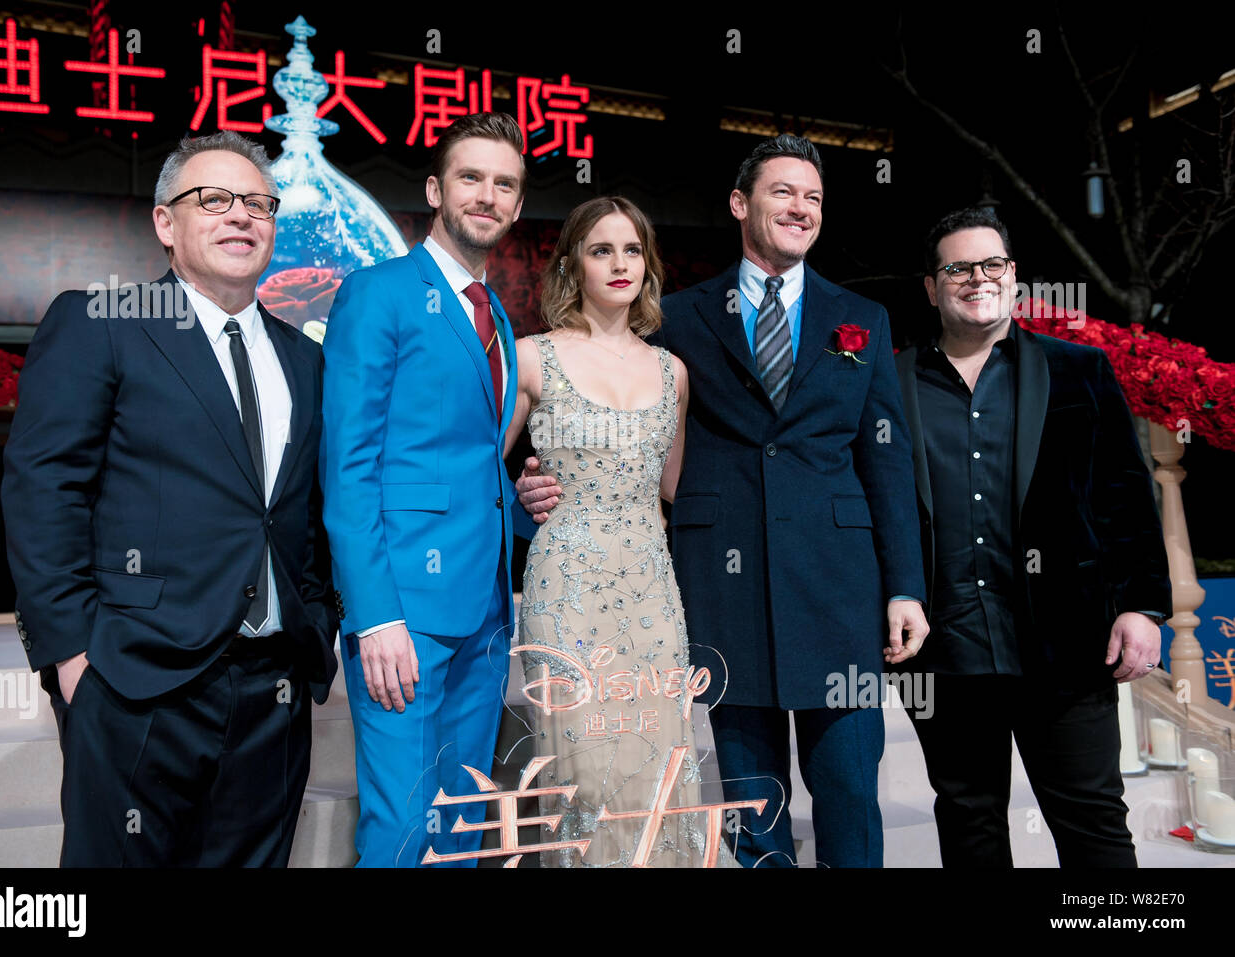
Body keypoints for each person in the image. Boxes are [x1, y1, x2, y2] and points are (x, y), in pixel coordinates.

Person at [519, 135, 929, 867]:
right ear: (741, 204)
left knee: (849, 801)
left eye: (813, 197)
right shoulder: (676, 319)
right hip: (723, 588)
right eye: (783, 192)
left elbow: (887, 462)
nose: (800, 208)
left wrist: (905, 586)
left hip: (840, 592)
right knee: (751, 806)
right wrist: (538, 477)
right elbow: (622, 420)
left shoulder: (863, 317)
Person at [0, 131, 338, 866]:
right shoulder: (100, 322)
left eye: (258, 203)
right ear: (165, 223)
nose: (240, 216)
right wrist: (72, 657)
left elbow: (304, 513)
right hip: (134, 681)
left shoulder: (307, 359)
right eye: (213, 200)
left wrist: (319, 620)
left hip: (272, 688)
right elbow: (43, 487)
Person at [894, 207, 1171, 867]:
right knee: (969, 822)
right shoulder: (892, 381)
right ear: (932, 286)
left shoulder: (1080, 370)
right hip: (946, 652)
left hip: (1064, 644)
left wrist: (1142, 604)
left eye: (991, 264)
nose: (976, 278)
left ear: (1013, 276)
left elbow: (1126, 496)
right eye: (957, 267)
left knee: (1093, 823)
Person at [321, 112, 538, 867]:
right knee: (403, 825)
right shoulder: (375, 293)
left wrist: (524, 503)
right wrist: (374, 614)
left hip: (484, 611)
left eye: (504, 183)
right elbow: (348, 466)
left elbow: (468, 459)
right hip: (404, 616)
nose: (487, 194)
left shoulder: (497, 317)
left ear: (516, 203)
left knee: (462, 823)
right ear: (435, 188)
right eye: (471, 177)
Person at [506, 196, 743, 867]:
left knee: (657, 764)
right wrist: (523, 491)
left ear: (648, 264)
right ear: (572, 264)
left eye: (632, 249)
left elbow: (674, 488)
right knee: (584, 774)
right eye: (600, 249)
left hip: (650, 594)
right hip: (566, 591)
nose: (619, 263)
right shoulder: (530, 358)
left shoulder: (672, 372)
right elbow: (476, 472)